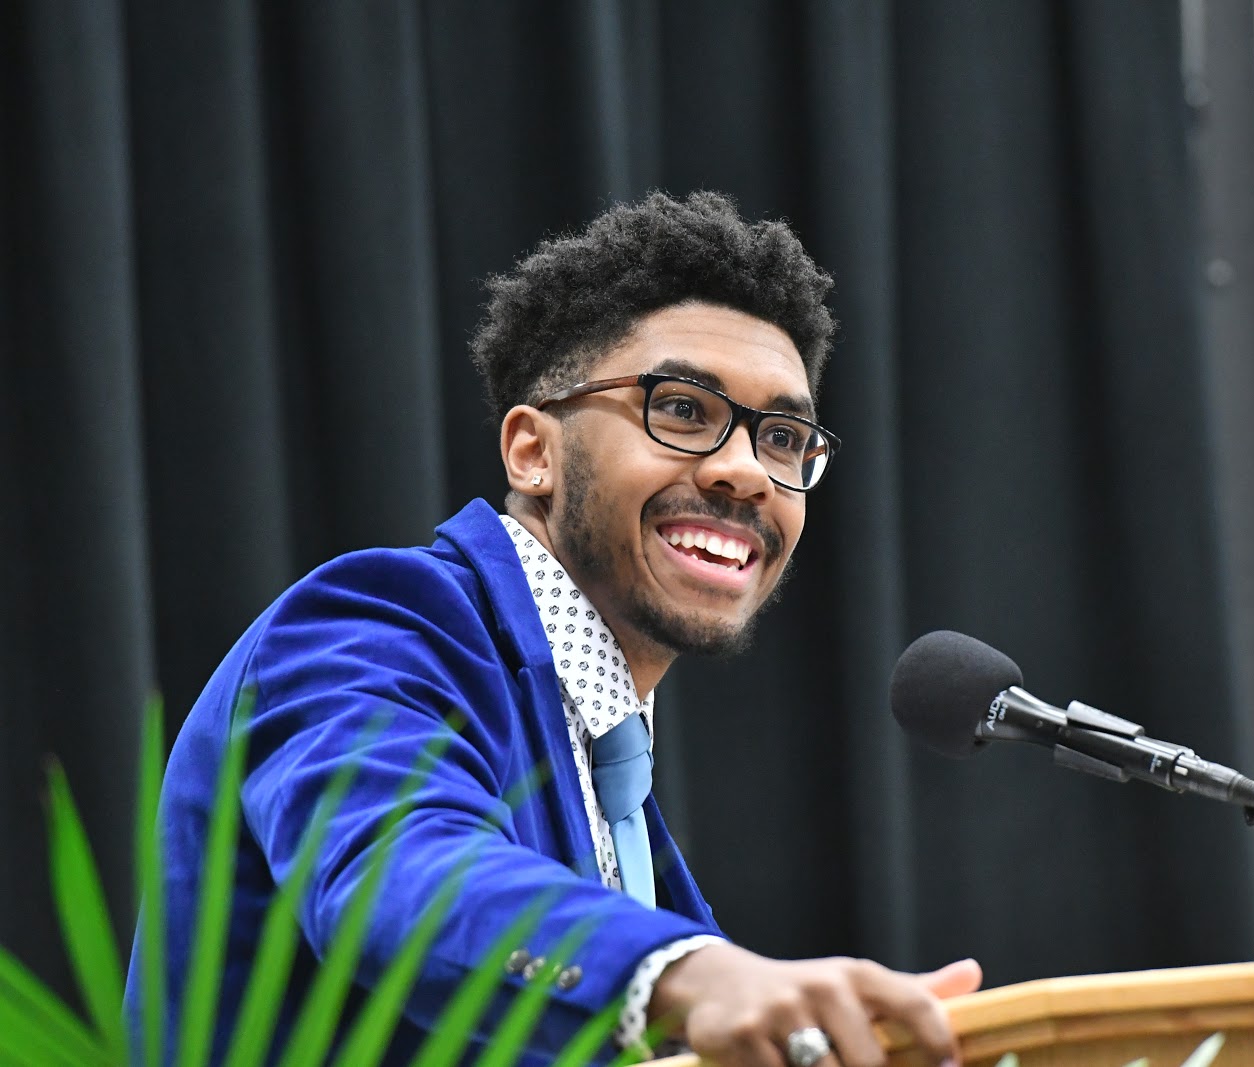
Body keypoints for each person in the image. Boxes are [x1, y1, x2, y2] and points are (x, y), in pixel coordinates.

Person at [126, 191, 981, 1066]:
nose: (745, 471)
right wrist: (683, 970)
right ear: (532, 451)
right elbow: (397, 870)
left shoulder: (619, 796)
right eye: (683, 408)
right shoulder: (377, 623)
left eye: (786, 437)